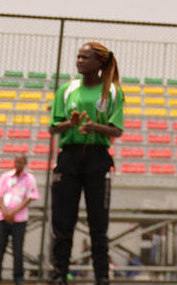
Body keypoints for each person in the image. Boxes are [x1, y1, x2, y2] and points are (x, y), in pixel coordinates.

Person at [49, 41, 124, 285]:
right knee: (62, 222)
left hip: (97, 158)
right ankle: (59, 274)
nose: (79, 61)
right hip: (69, 157)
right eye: (78, 57)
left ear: (99, 62)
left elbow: (116, 130)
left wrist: (94, 127)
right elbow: (53, 127)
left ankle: (102, 276)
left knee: (98, 224)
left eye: (85, 58)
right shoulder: (67, 90)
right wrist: (70, 124)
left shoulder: (112, 91)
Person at [0, 154, 39, 285]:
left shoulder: (29, 178)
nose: (18, 164)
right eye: (16, 161)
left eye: (21, 162)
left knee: (17, 249)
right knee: (0, 248)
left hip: (19, 220)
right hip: (3, 217)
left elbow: (29, 197)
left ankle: (18, 277)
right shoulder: (5, 176)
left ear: (25, 163)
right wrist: (5, 212)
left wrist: (13, 212)